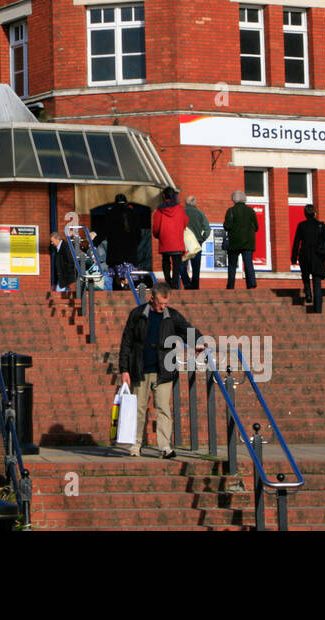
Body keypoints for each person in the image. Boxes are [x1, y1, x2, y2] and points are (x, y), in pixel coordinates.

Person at [117, 284, 209, 459]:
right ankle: (135, 445)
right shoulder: (137, 315)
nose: (163, 307)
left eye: (166, 303)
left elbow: (187, 329)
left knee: (163, 409)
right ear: (152, 299)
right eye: (160, 303)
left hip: (163, 370)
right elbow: (126, 343)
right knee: (138, 409)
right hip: (140, 368)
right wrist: (124, 370)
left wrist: (199, 341)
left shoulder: (171, 316)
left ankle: (164, 446)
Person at [95, 194, 140, 291]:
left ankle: (120, 288)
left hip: (115, 253)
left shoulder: (110, 213)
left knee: (116, 280)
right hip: (130, 253)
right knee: (129, 277)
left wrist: (93, 244)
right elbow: (139, 235)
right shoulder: (133, 214)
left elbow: (103, 232)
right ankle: (128, 288)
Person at [290, 204, 325, 312]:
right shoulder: (321, 225)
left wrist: (293, 258)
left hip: (305, 255)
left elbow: (297, 242)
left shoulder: (301, 225)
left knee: (306, 276)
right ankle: (318, 309)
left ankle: (308, 293)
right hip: (317, 256)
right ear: (315, 213)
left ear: (305, 214)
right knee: (317, 283)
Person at [152, 186, 188, 291]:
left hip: (165, 239)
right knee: (177, 264)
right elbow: (185, 222)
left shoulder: (159, 210)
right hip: (177, 240)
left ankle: (168, 283)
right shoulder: (180, 209)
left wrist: (157, 235)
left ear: (164, 196)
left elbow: (156, 227)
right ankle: (175, 284)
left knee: (166, 262)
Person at [224, 190, 258, 290]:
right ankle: (251, 283)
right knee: (248, 263)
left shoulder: (230, 211)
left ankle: (230, 285)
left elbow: (227, 226)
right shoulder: (251, 211)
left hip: (234, 242)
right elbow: (256, 227)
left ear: (234, 199)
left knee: (232, 265)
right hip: (248, 242)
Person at [182, 195, 211, 289]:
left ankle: (187, 283)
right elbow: (207, 229)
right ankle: (195, 287)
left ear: (186, 203)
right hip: (197, 244)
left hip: (184, 243)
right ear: (195, 203)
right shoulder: (200, 213)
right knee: (196, 268)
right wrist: (202, 239)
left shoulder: (182, 212)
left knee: (181, 266)